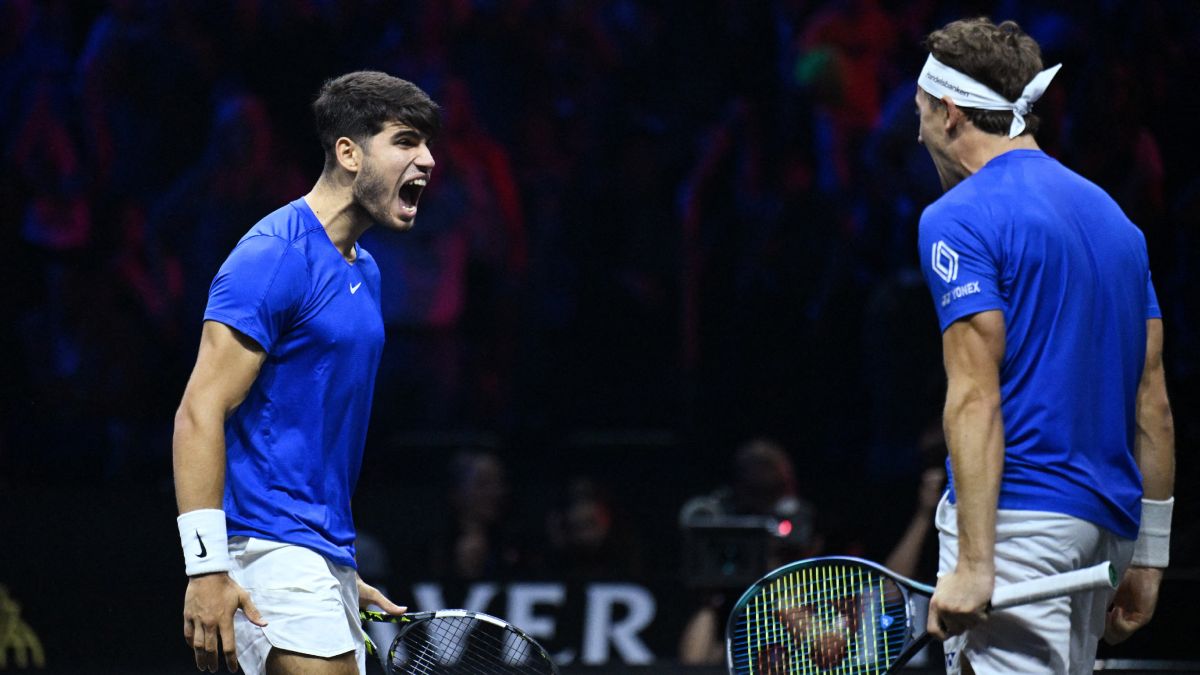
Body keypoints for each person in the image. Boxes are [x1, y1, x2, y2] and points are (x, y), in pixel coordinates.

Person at [912, 18, 1175, 674]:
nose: (914, 133)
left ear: (948, 113)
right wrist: (1147, 553)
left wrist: (975, 563)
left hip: (1018, 528)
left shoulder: (957, 217)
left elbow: (974, 397)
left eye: (918, 114)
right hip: (1102, 531)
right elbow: (1154, 404)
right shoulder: (1116, 220)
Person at [172, 71, 439, 675]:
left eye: (426, 145)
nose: (426, 159)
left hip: (316, 554)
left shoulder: (364, 270)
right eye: (405, 141)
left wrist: (335, 571)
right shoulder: (272, 257)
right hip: (266, 546)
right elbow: (198, 413)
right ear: (348, 152)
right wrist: (208, 569)